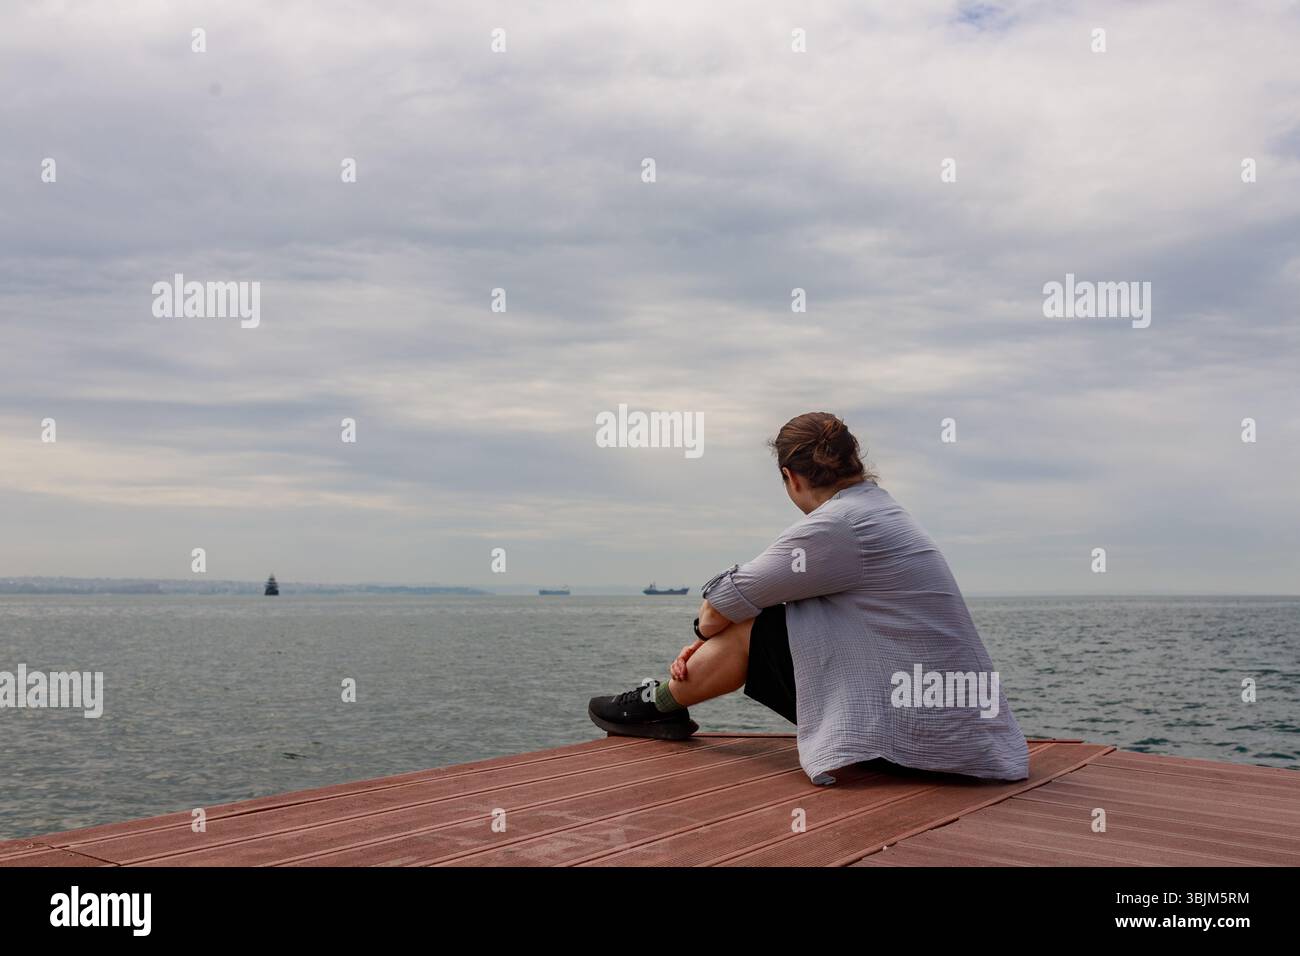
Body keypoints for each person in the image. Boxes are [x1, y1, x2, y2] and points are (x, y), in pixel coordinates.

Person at [587, 411, 1030, 786]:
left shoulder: (839, 524)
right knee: (772, 614)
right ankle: (663, 706)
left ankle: (656, 706)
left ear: (790, 477)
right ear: (854, 462)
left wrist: (702, 634)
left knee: (754, 626)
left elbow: (721, 603)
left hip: (922, 743)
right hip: (965, 738)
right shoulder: (882, 511)